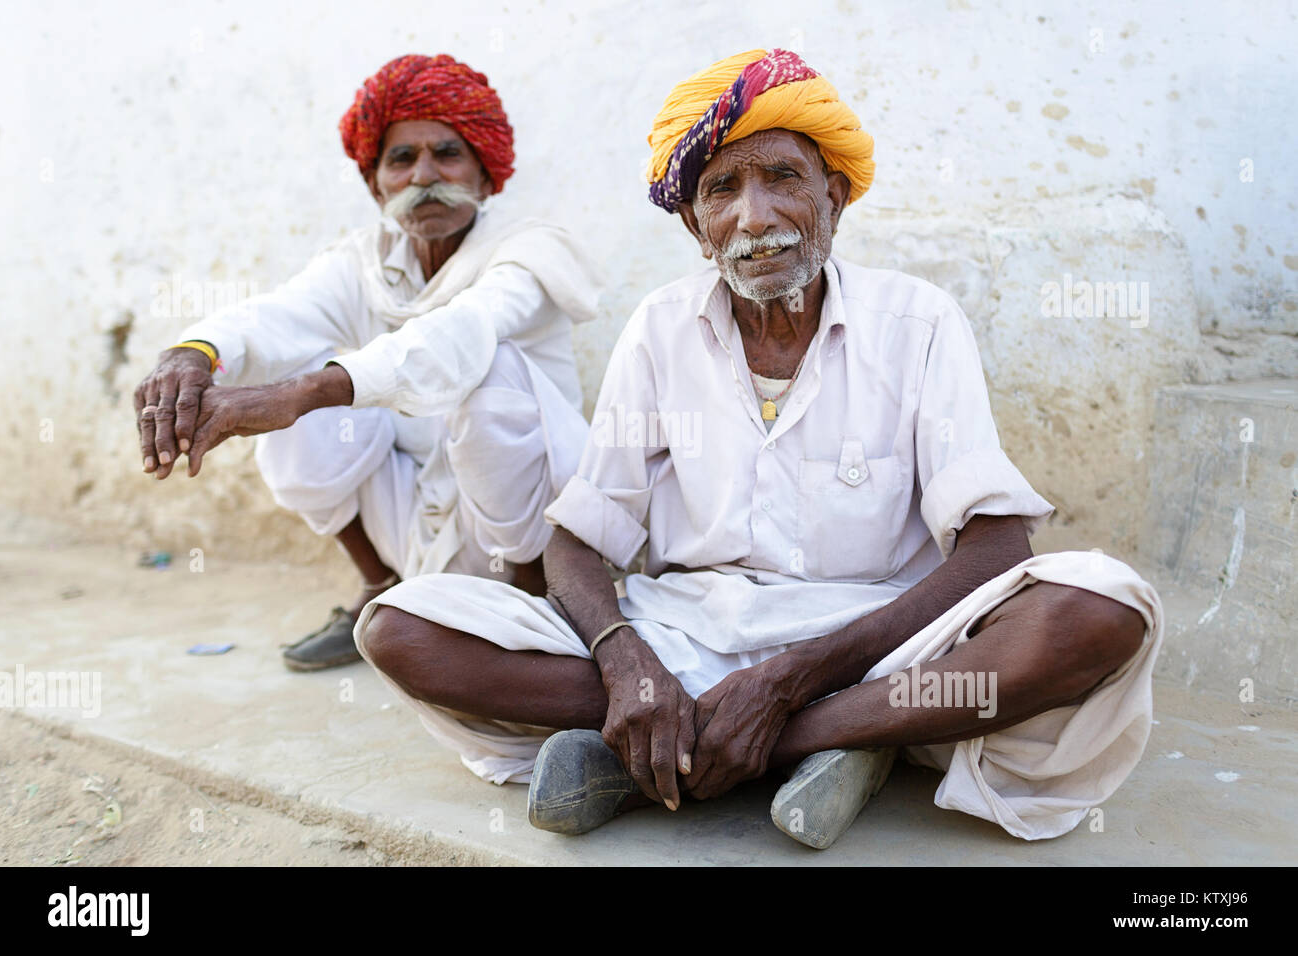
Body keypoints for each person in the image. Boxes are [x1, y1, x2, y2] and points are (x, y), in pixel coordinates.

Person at [350, 49, 1163, 848]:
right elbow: (577, 542)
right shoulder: (660, 330)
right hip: (687, 643)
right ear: (696, 227)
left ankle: (746, 744)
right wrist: (626, 661)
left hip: (880, 651)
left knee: (1100, 609)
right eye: (722, 190)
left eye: (783, 178)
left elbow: (997, 545)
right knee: (399, 628)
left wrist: (789, 683)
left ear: (834, 199)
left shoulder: (918, 322)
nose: (756, 216)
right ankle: (826, 742)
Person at [132, 54, 601, 671]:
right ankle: (379, 586)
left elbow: (463, 331)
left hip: (529, 529)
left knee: (487, 370)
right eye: (401, 159)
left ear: (486, 176)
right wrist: (192, 353)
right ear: (377, 184)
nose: (424, 175)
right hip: (413, 521)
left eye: (447, 154)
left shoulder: (530, 248)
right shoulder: (363, 262)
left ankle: (530, 607)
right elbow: (277, 315)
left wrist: (299, 393)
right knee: (284, 370)